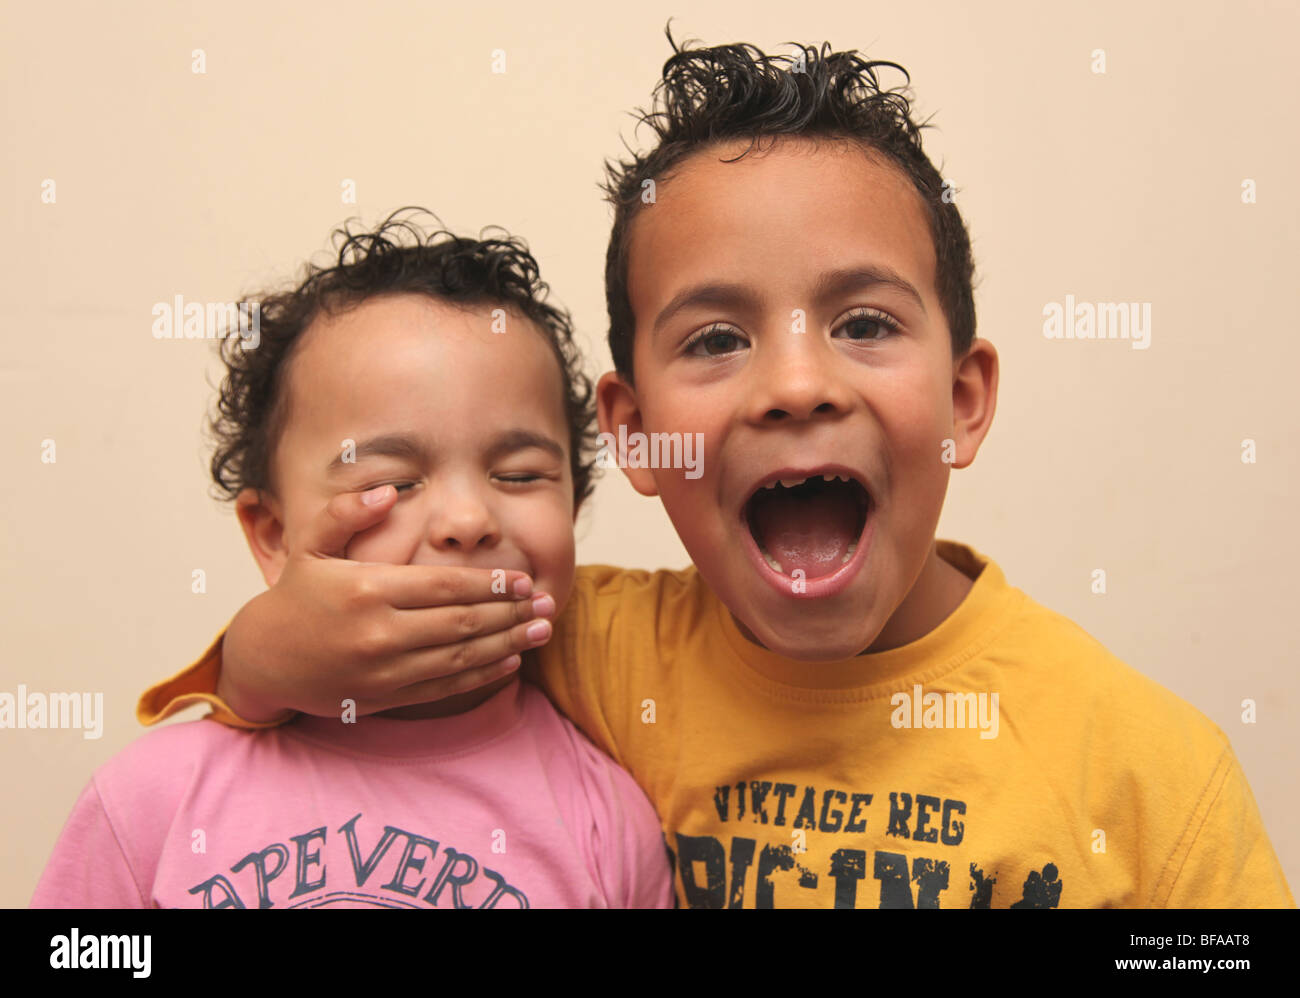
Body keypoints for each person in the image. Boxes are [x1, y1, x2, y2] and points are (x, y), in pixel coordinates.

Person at [134, 34, 1294, 908]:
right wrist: (262, 653)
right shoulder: (576, 638)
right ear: (633, 434)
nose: (795, 384)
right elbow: (347, 668)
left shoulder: (1152, 774)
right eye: (717, 339)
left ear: (961, 401)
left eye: (864, 322)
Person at [32, 209, 673, 909]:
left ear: (573, 509)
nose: (466, 520)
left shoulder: (611, 820)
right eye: (389, 485)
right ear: (273, 535)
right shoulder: (149, 802)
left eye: (519, 476)